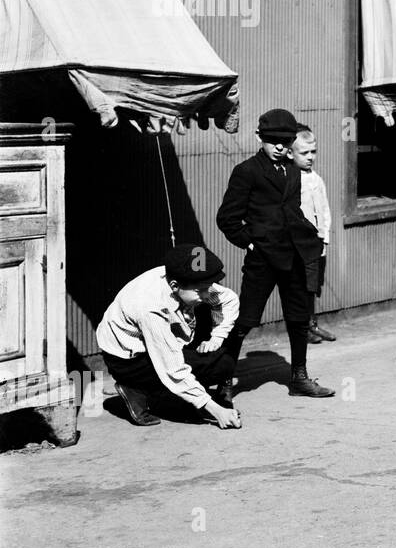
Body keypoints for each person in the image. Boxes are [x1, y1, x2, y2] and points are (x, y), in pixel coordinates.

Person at [215, 107, 334, 399]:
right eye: (272, 140)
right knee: (244, 320)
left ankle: (299, 378)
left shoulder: (294, 171)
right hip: (263, 259)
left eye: (286, 140)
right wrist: (251, 242)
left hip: (295, 255)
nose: (280, 146)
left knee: (298, 318)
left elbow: (292, 210)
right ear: (259, 137)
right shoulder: (247, 172)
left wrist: (309, 236)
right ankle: (225, 382)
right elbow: (227, 218)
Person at [96, 243, 243, 429]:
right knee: (204, 368)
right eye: (201, 290)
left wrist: (216, 338)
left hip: (155, 342)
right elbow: (172, 369)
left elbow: (229, 299)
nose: (207, 294)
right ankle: (133, 387)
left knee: (223, 361)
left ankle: (177, 395)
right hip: (127, 360)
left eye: (208, 287)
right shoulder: (150, 305)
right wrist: (215, 410)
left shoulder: (186, 281)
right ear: (174, 286)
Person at [291, 124, 337, 344]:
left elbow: (325, 210)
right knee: (298, 287)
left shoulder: (316, 178)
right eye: (305, 153)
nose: (310, 157)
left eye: (313, 152)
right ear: (291, 153)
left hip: (316, 242)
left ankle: (312, 324)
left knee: (312, 286)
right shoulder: (291, 179)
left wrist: (324, 237)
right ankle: (302, 328)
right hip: (299, 243)